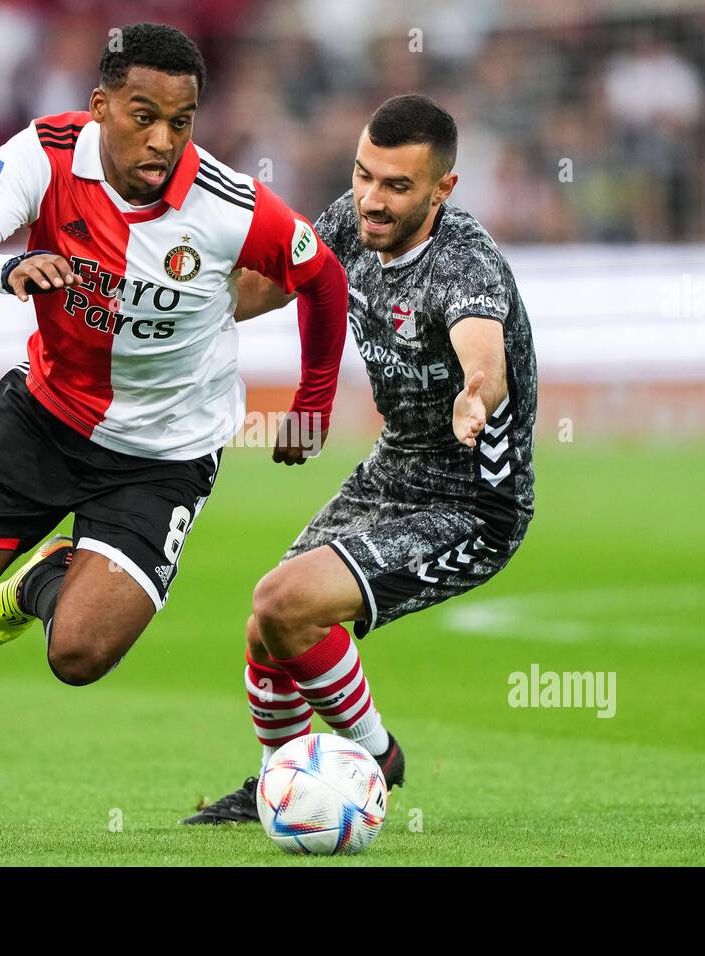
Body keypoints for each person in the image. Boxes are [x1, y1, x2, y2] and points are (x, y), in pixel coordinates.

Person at [0, 23, 347, 849]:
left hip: (164, 456)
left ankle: (41, 584)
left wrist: (313, 401)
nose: (162, 139)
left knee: (79, 656)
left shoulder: (226, 206)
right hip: (42, 418)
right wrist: (7, 268)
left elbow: (321, 274)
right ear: (100, 105)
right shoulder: (43, 155)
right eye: (143, 115)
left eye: (181, 122)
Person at [183, 94, 536, 824]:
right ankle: (278, 782)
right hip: (393, 469)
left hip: (471, 504)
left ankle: (375, 755)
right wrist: (172, 291)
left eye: (397, 186)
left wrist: (475, 397)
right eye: (363, 175)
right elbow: (259, 291)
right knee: (268, 625)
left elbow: (485, 360)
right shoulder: (349, 221)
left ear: (444, 189)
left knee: (285, 605)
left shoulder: (466, 267)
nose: (372, 200)